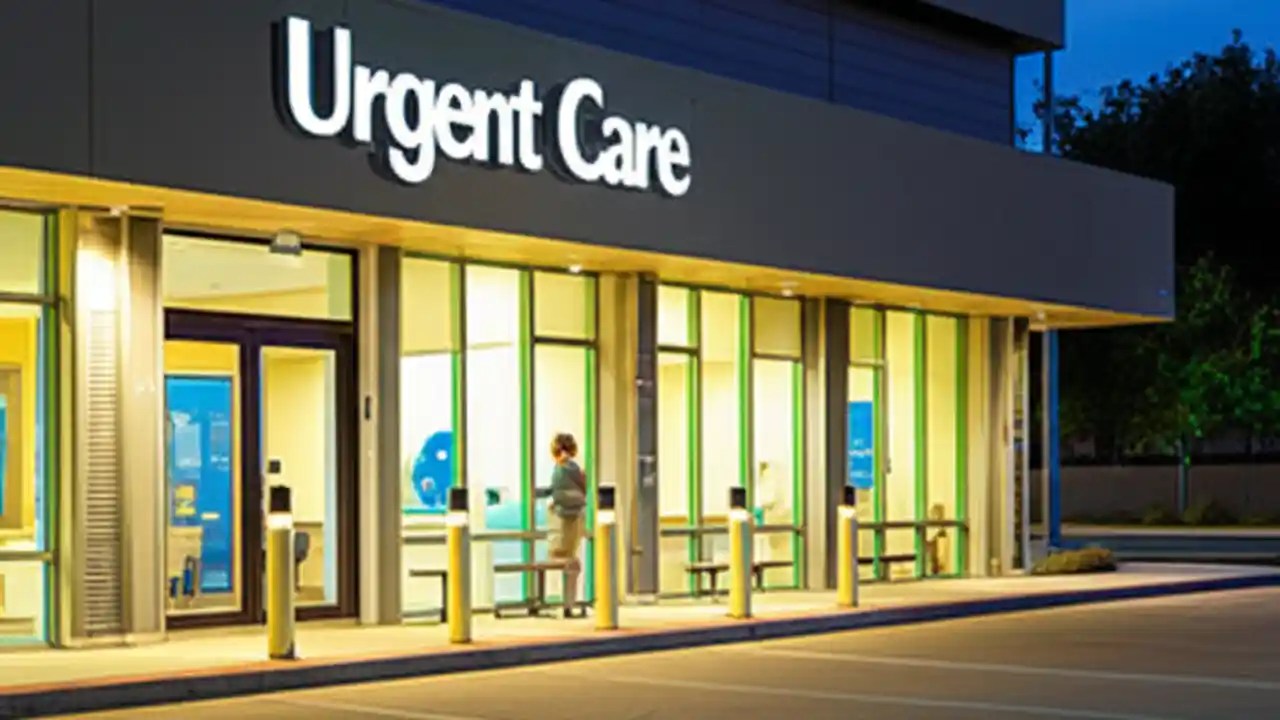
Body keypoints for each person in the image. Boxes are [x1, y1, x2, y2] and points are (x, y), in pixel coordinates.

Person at [548, 432, 587, 618]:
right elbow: (583, 491)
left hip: (562, 521)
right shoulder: (576, 469)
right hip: (575, 520)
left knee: (563, 560)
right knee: (571, 562)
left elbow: (557, 495)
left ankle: (565, 604)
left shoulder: (560, 468)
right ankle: (568, 604)